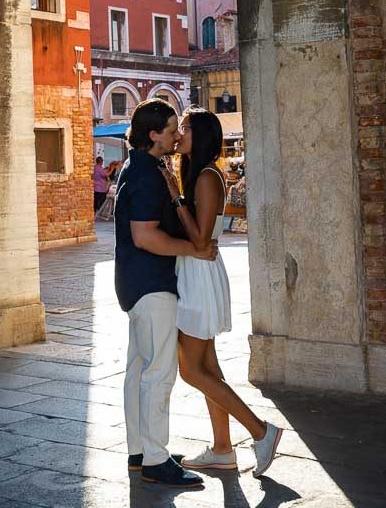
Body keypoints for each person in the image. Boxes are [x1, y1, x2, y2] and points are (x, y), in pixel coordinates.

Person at [159, 107, 283, 478]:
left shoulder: (206, 177)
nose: (178, 133)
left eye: (185, 127)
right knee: (209, 368)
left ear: (200, 135)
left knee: (191, 371)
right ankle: (222, 449)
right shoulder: (199, 174)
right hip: (196, 272)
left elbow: (200, 240)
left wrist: (175, 196)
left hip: (199, 276)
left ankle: (261, 432)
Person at [114, 98, 216, 489]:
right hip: (151, 284)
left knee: (140, 368)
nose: (176, 137)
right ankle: (156, 460)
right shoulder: (145, 173)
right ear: (154, 134)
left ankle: (141, 451)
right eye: (172, 131)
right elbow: (145, 236)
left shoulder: (140, 165)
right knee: (158, 372)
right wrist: (194, 249)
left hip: (137, 283)